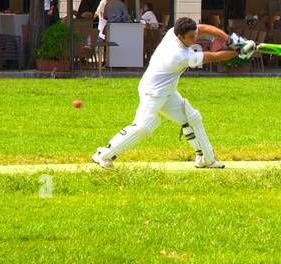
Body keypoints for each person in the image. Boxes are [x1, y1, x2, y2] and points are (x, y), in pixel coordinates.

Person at [92, 17, 254, 170]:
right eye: (191, 37)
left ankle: (205, 159)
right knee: (143, 127)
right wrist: (238, 52)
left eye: (194, 35)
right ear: (180, 37)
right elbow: (213, 57)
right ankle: (104, 154)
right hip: (153, 93)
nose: (194, 40)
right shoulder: (180, 56)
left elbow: (205, 28)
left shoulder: (172, 32)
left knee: (192, 118)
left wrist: (229, 40)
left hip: (167, 91)